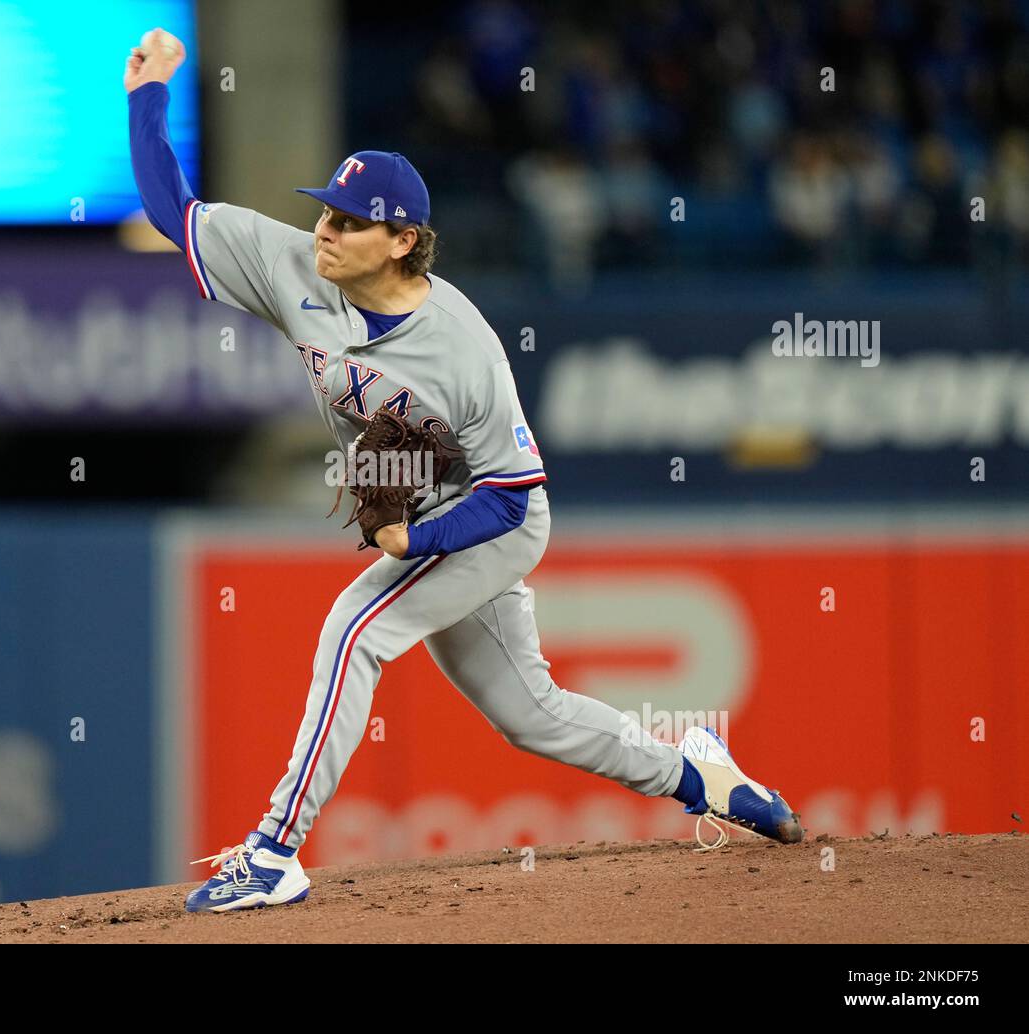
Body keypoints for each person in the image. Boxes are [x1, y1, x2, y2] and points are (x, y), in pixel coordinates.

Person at [125, 29, 803, 914]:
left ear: (402, 239)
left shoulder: (468, 350)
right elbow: (169, 208)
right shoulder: (293, 262)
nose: (324, 231)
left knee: (354, 627)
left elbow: (515, 495)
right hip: (444, 514)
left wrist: (420, 537)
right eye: (325, 212)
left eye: (348, 222)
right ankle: (704, 778)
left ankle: (274, 849)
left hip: (491, 521)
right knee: (534, 716)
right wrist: (148, 94)